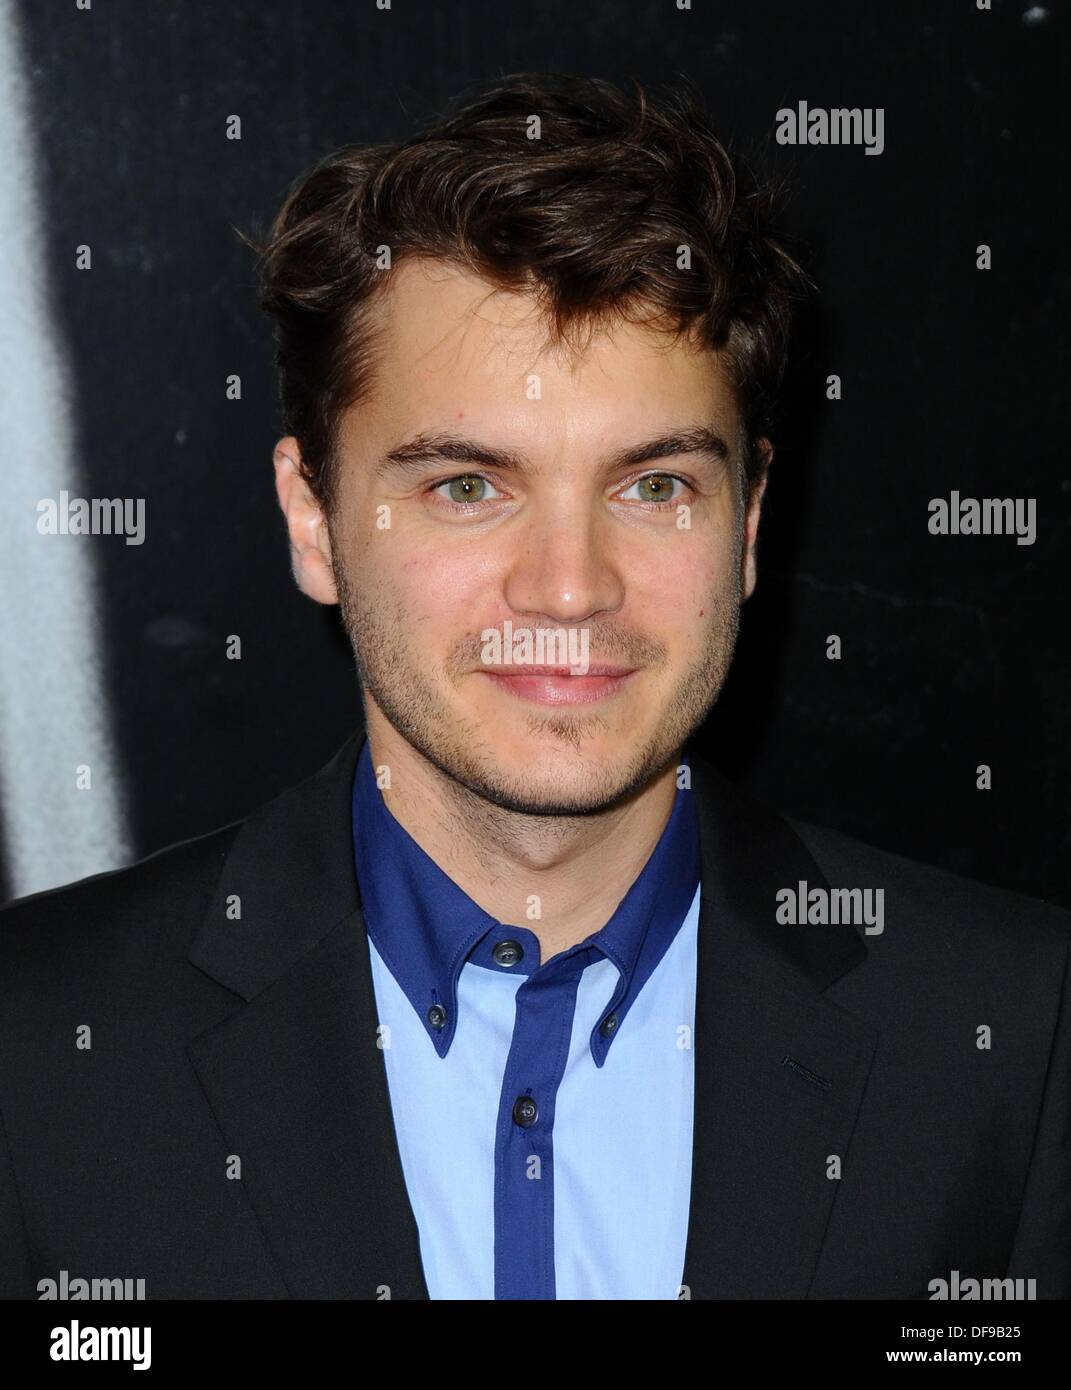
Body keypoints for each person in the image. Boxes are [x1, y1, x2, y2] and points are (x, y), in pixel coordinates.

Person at [1, 73, 1067, 1302]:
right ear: (314, 520)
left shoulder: (1016, 1041)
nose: (570, 589)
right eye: (468, 485)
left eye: (653, 485)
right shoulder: (37, 1046)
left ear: (750, 521)